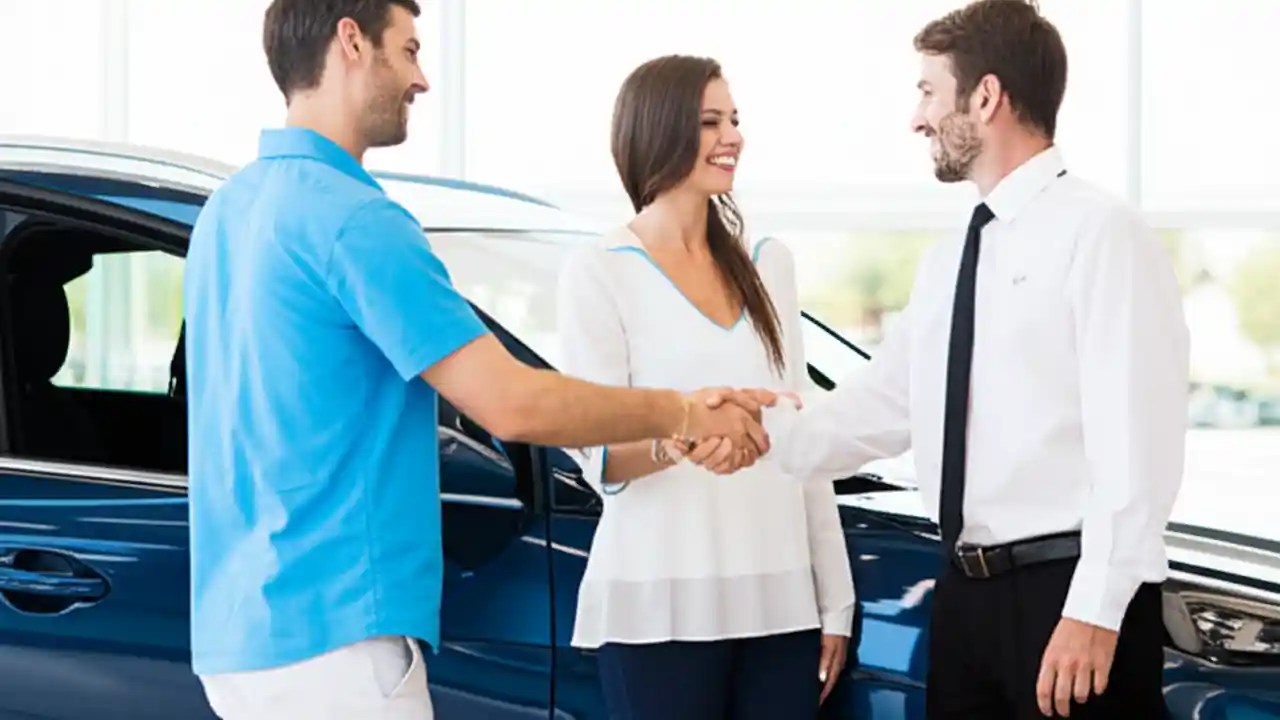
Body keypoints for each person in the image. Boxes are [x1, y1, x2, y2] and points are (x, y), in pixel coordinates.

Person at [183, 4, 773, 719]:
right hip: (335, 642)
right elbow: (510, 403)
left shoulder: (230, 209)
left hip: (238, 642)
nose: (422, 79)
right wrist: (678, 408)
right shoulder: (355, 219)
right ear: (351, 41)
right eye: (408, 50)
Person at [763, 1, 1188, 718]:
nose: (917, 117)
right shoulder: (950, 258)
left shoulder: (1103, 233)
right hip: (965, 598)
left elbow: (1137, 444)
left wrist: (1096, 609)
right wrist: (758, 429)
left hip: (1065, 597)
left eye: (929, 90)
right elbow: (888, 402)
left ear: (986, 96)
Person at [556, 55, 856, 720]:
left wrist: (834, 598)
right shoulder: (599, 271)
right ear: (658, 132)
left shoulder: (768, 262)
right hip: (657, 608)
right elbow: (597, 455)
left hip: (779, 604)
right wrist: (684, 435)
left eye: (735, 120)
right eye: (709, 122)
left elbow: (804, 438)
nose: (733, 137)